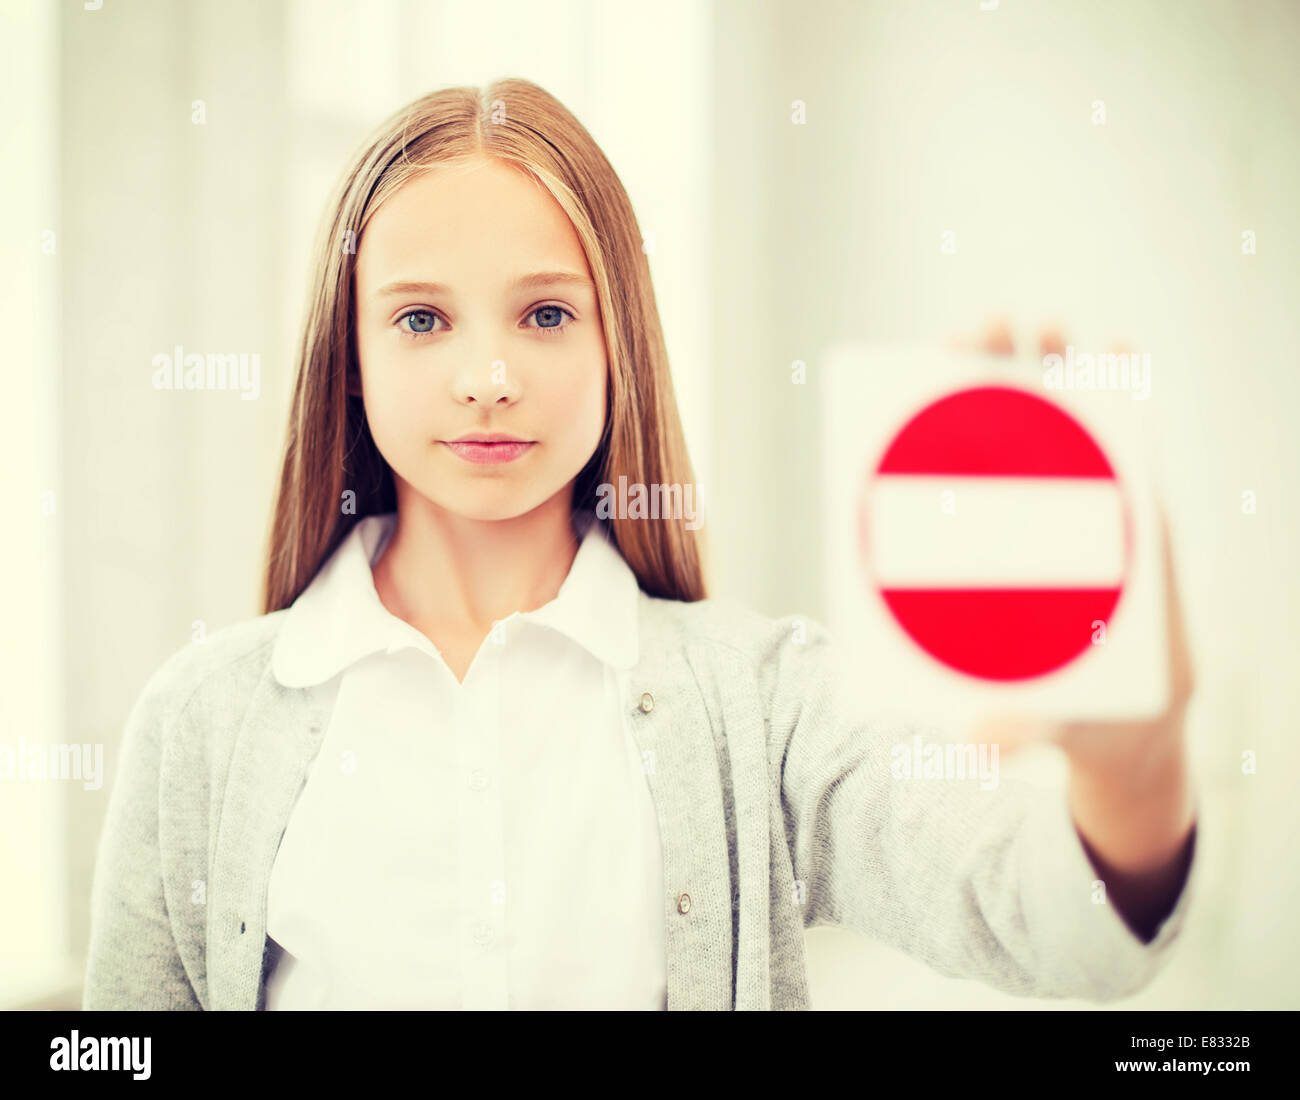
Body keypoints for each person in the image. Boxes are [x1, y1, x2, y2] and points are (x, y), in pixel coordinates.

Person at [82, 77, 1198, 1011]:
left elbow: (1057, 929)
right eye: (422, 318)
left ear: (621, 342)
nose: (488, 376)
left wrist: (1131, 764)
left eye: (547, 314)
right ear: (351, 354)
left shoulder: (763, 702)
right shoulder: (200, 721)